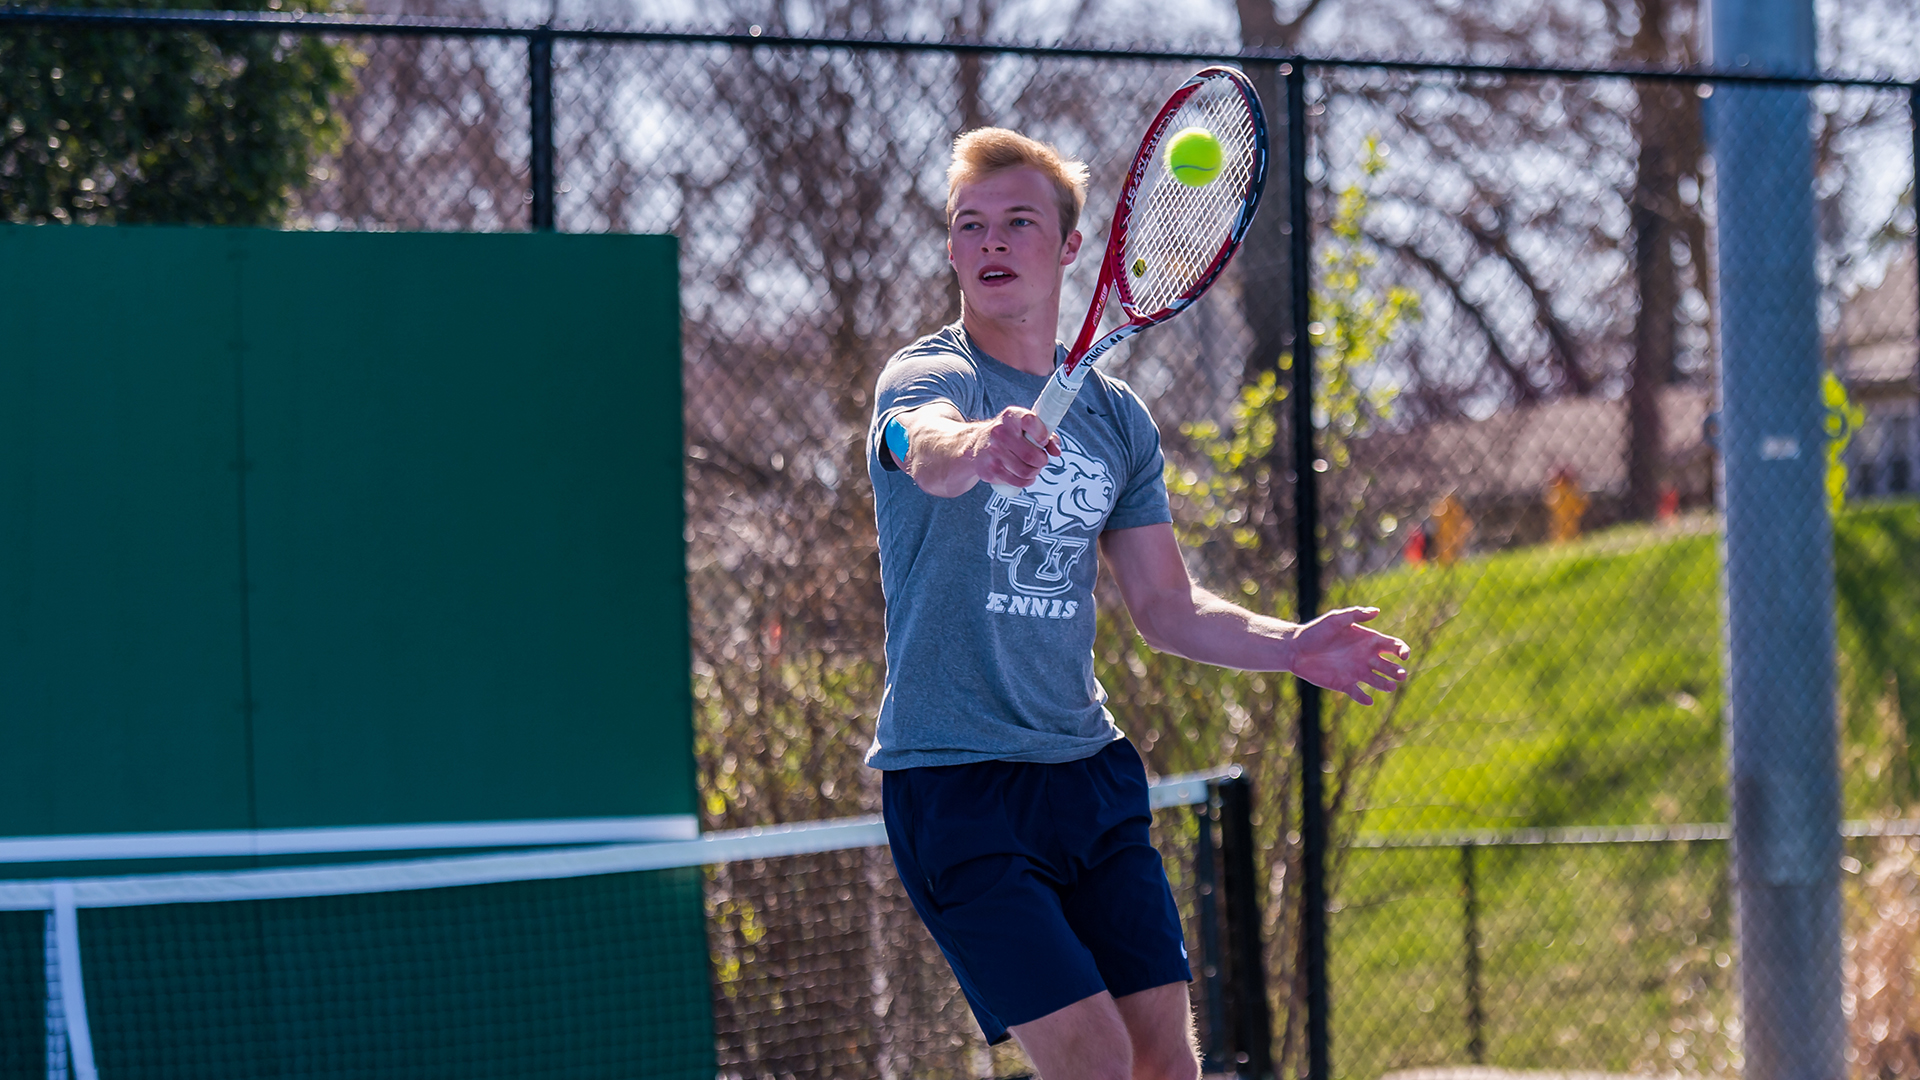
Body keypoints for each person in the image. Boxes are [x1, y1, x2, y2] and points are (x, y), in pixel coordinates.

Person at [865, 127, 1411, 1080]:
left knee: (1165, 1063)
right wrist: (977, 447)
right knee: (1094, 1062)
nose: (991, 243)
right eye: (970, 226)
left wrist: (1292, 645)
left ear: (1073, 248)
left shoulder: (1118, 420)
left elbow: (1166, 606)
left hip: (1088, 779)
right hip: (955, 786)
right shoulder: (930, 376)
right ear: (952, 247)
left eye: (1018, 222)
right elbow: (923, 443)